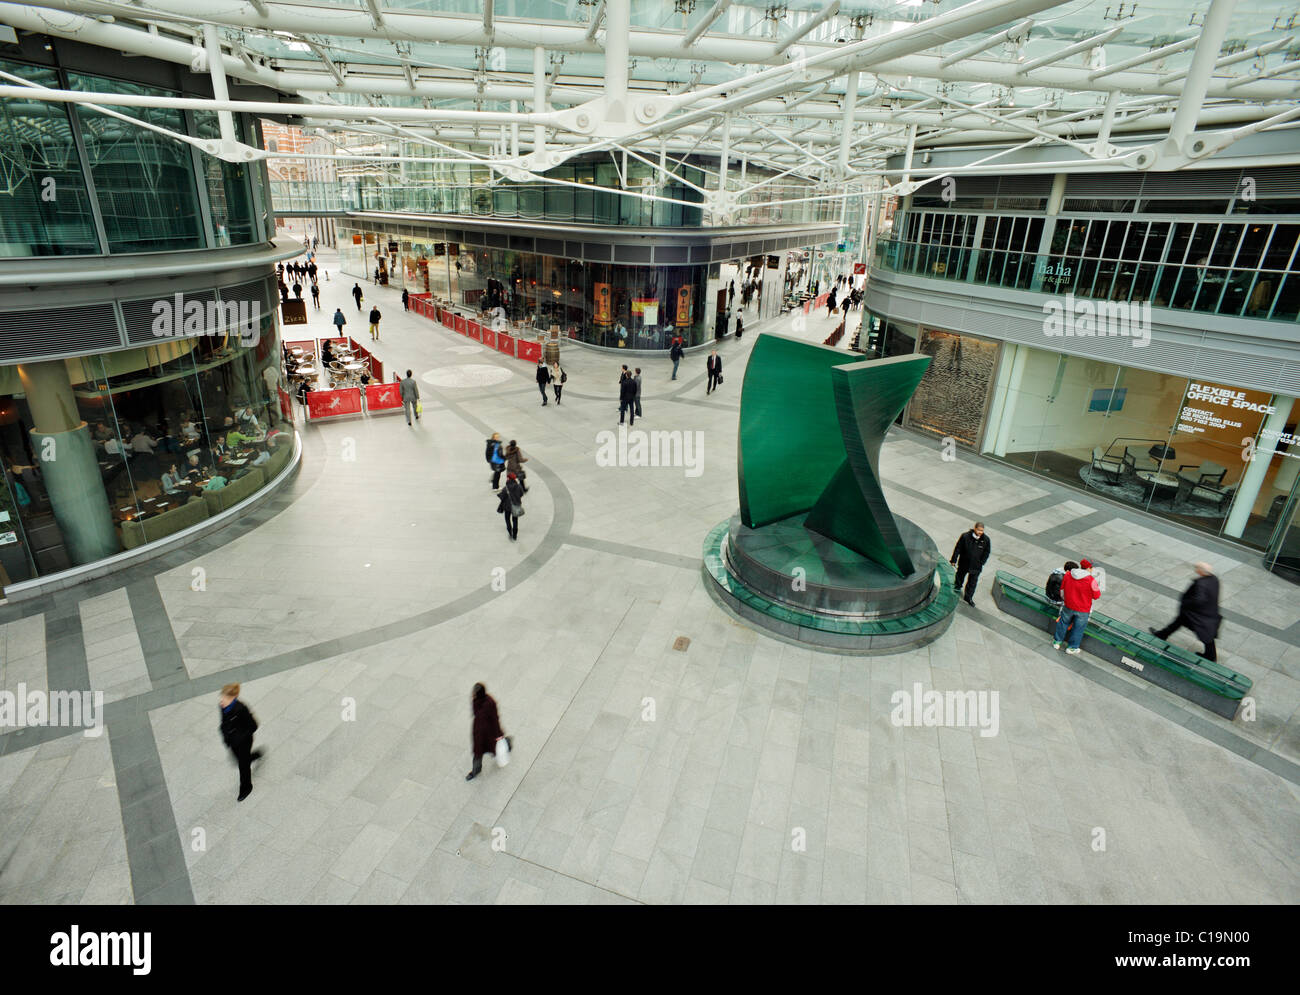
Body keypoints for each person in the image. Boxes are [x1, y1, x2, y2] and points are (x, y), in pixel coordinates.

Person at [1150, 562, 1222, 661]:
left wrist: (1186, 603)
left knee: (1205, 634)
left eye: (1197, 568)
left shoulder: (1201, 584)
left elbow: (1199, 599)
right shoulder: (1214, 579)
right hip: (1206, 613)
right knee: (1180, 622)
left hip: (1197, 614)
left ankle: (1211, 656)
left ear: (1201, 571)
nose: (1196, 569)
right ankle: (1162, 634)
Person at [218, 683, 263, 802]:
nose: (222, 700)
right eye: (222, 696)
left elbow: (253, 725)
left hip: (243, 742)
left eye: (225, 698)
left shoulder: (241, 708)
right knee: (240, 760)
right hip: (232, 741)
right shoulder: (222, 706)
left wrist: (240, 737)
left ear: (233, 698)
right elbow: (224, 722)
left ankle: (246, 787)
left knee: (243, 766)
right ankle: (255, 755)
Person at [1054, 559, 1101, 654]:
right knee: (1078, 628)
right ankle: (1072, 648)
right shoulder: (1092, 580)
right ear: (1089, 568)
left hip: (1068, 605)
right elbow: (1097, 596)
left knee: (1063, 622)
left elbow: (1062, 591)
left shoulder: (1068, 575)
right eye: (1092, 568)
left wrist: (1066, 600)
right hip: (1083, 610)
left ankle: (1057, 642)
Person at [465, 683, 512, 779]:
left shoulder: (490, 703)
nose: (472, 694)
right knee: (478, 751)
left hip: (489, 732)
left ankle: (507, 743)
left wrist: (498, 734)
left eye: (474, 693)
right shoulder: (476, 701)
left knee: (496, 745)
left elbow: (495, 719)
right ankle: (476, 770)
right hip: (479, 732)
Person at [950, 522, 991, 606]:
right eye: (979, 530)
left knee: (972, 582)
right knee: (960, 575)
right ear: (975, 528)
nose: (980, 532)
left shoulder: (986, 540)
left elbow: (987, 552)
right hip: (964, 562)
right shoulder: (965, 536)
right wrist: (954, 560)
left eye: (982, 530)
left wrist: (982, 562)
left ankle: (968, 597)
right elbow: (958, 548)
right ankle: (957, 587)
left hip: (976, 566)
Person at [496, 471, 525, 543]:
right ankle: (515, 535)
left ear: (509, 479)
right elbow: (521, 494)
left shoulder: (506, 488)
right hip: (516, 506)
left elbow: (501, 496)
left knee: (507, 519)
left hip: (507, 507)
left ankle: (510, 532)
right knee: (515, 520)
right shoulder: (518, 486)